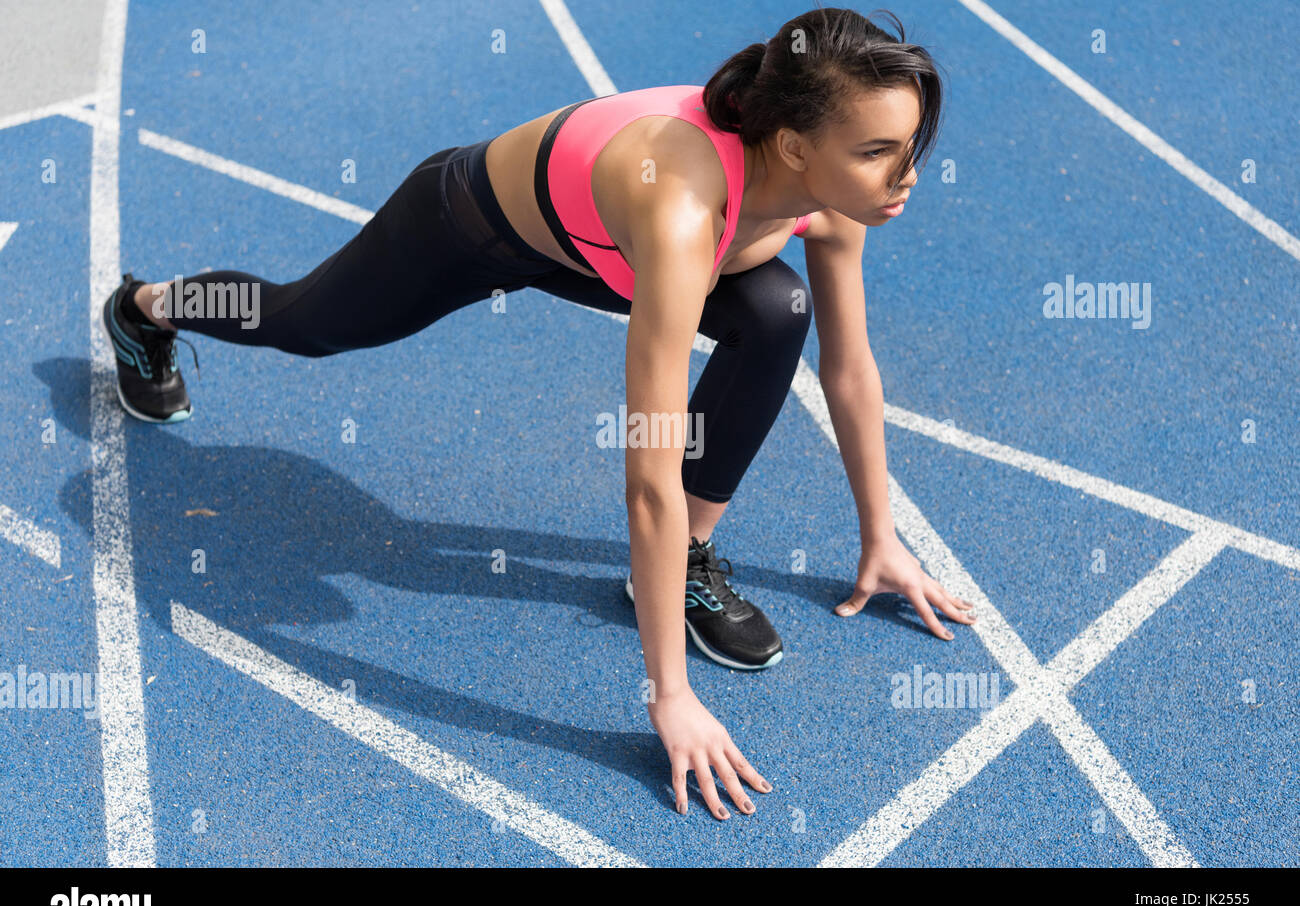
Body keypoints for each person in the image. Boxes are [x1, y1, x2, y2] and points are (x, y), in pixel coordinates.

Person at [101, 6, 976, 821]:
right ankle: (146, 308)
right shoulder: (680, 211)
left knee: (777, 308)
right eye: (877, 150)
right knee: (307, 321)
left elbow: (850, 371)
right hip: (471, 221)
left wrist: (881, 536)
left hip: (596, 239)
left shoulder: (831, 201)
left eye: (907, 147)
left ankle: (681, 566)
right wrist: (668, 696)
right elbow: (647, 471)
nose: (904, 175)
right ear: (791, 142)